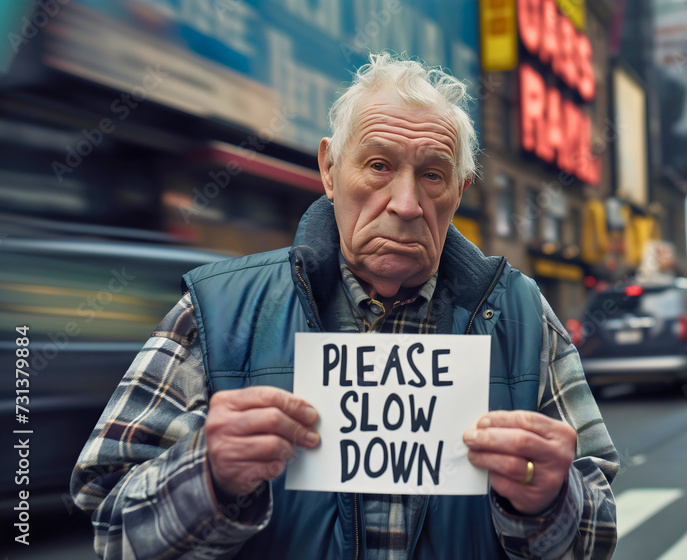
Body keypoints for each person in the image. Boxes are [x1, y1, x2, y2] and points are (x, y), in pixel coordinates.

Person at [71, 53, 618, 559]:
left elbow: (597, 535)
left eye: (432, 175)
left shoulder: (523, 316)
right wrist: (207, 475)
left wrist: (550, 500)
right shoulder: (218, 310)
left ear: (460, 189)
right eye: (378, 166)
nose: (405, 204)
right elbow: (111, 527)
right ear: (330, 171)